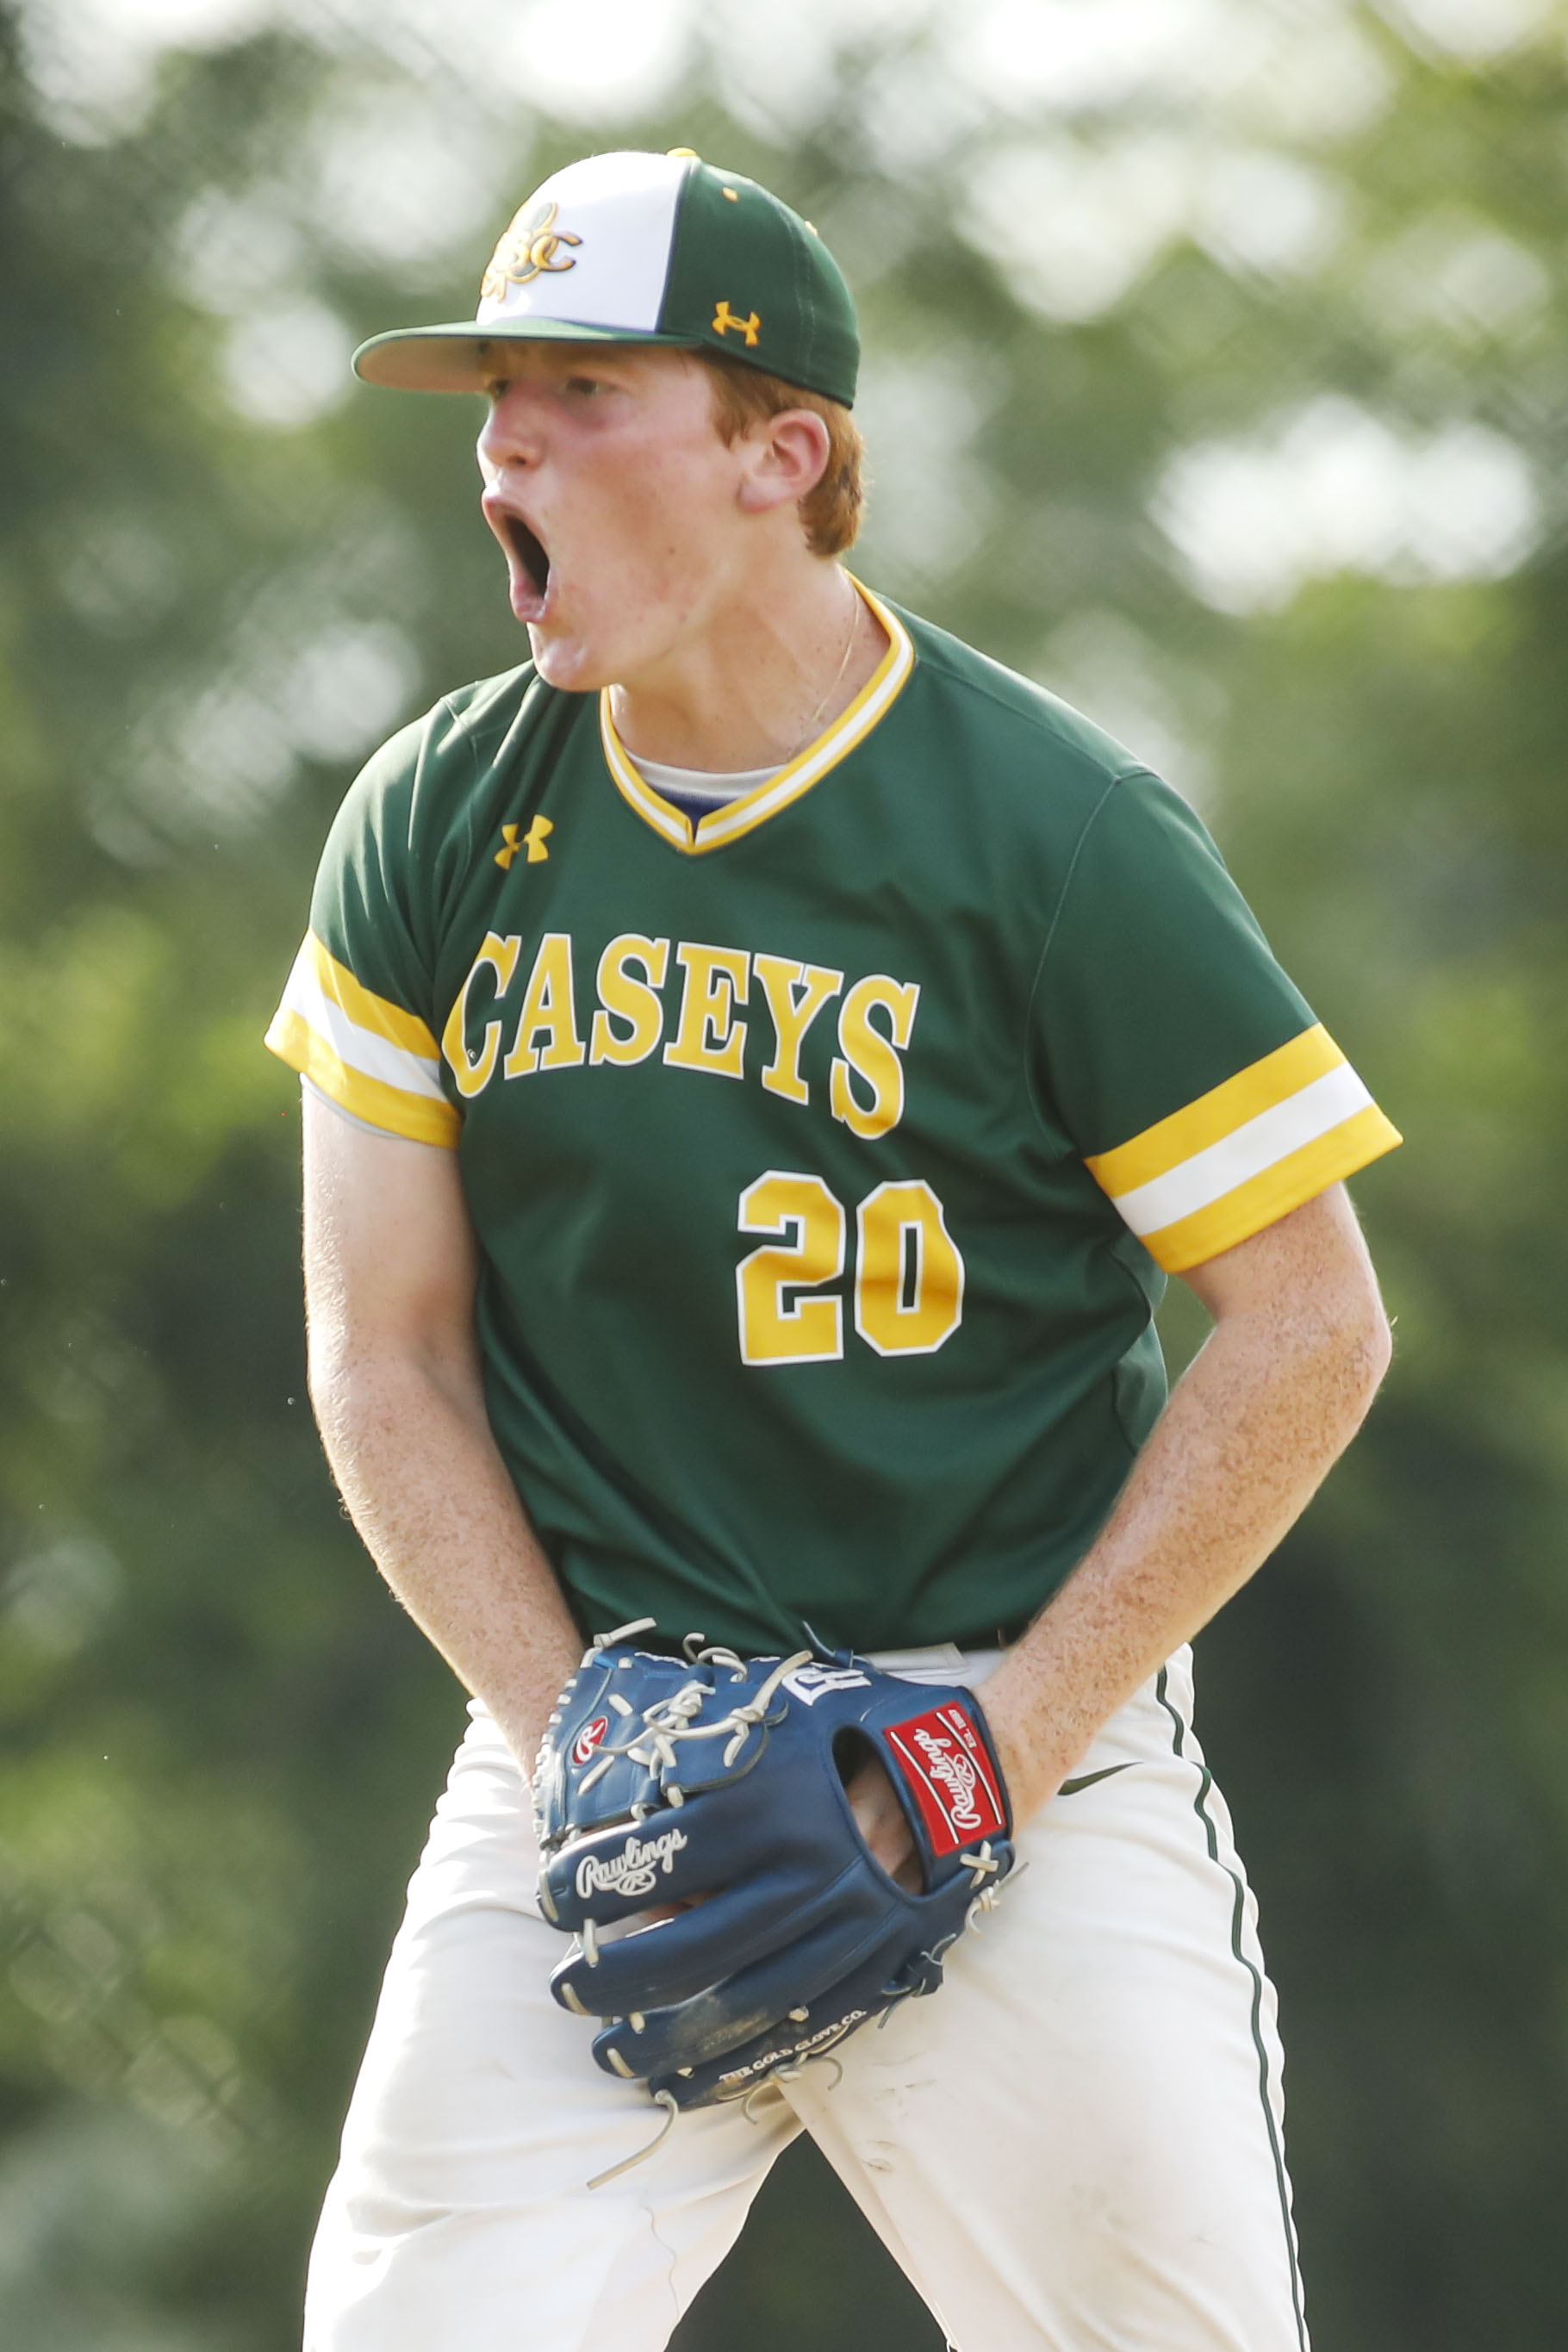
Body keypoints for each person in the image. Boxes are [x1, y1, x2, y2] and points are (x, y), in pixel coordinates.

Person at [265, 146, 1399, 2352]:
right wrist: (579, 1749)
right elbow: (380, 1353)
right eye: (496, 396)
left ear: (781, 452)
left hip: (1004, 1745)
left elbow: (1310, 1326)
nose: (505, 447)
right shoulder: (439, 818)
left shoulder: (1051, 833)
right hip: (593, 1742)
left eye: (583, 390)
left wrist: (994, 1750)